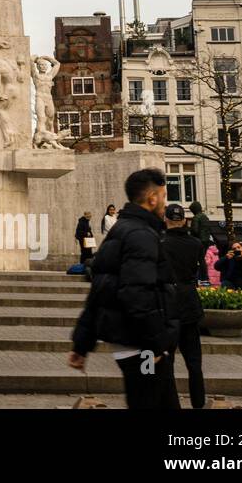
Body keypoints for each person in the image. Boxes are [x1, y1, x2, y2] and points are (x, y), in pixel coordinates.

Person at [68, 168, 180, 410]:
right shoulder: (141, 235)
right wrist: (154, 345)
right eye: (163, 195)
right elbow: (137, 294)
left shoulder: (120, 230)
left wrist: (81, 344)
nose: (165, 202)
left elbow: (99, 292)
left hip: (135, 347)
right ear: (152, 198)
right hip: (144, 351)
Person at [161, 203, 206, 409]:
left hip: (167, 304)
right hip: (189, 302)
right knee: (194, 362)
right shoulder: (196, 244)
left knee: (165, 363)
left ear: (166, 220)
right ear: (185, 221)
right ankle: (198, 404)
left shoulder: (158, 243)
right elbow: (200, 271)